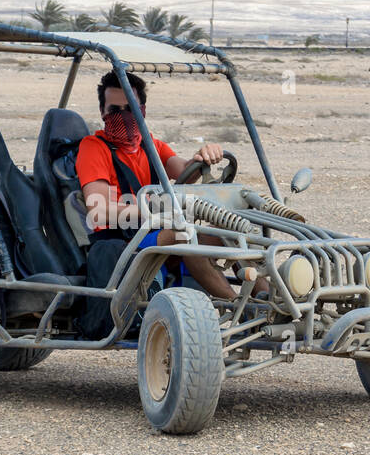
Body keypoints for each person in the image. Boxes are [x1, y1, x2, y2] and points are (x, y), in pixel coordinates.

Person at [75, 69, 264, 305]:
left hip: (155, 236)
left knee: (230, 233)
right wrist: (158, 213)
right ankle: (238, 307)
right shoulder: (94, 147)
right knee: (184, 234)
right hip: (122, 244)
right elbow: (99, 211)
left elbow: (185, 171)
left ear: (142, 110)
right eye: (115, 110)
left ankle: (270, 301)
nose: (123, 116)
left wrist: (204, 156)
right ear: (103, 112)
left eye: (130, 109)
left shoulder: (151, 145)